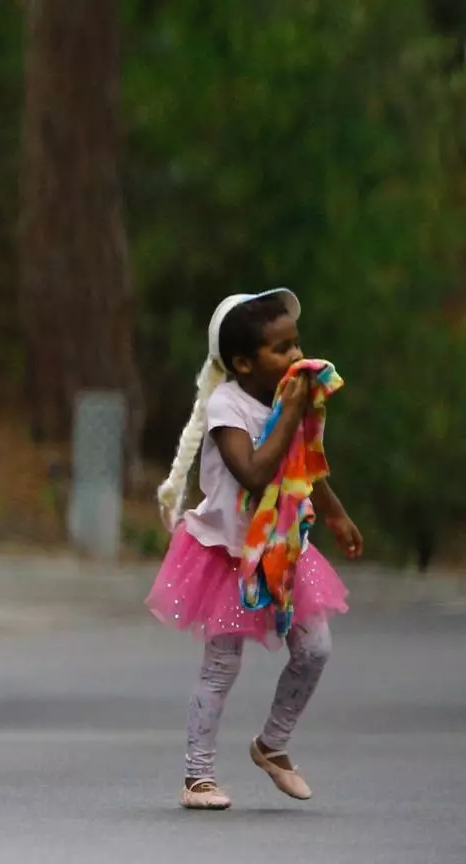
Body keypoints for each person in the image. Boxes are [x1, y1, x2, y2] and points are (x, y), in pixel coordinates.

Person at [146, 288, 363, 811]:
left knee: (315, 650)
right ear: (243, 362)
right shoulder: (227, 405)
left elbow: (302, 463)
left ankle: (272, 744)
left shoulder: (290, 400)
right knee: (222, 666)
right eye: (279, 349)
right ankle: (197, 776)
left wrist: (333, 511)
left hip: (282, 545)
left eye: (295, 345)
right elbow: (255, 471)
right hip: (227, 553)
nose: (293, 357)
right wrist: (289, 413)